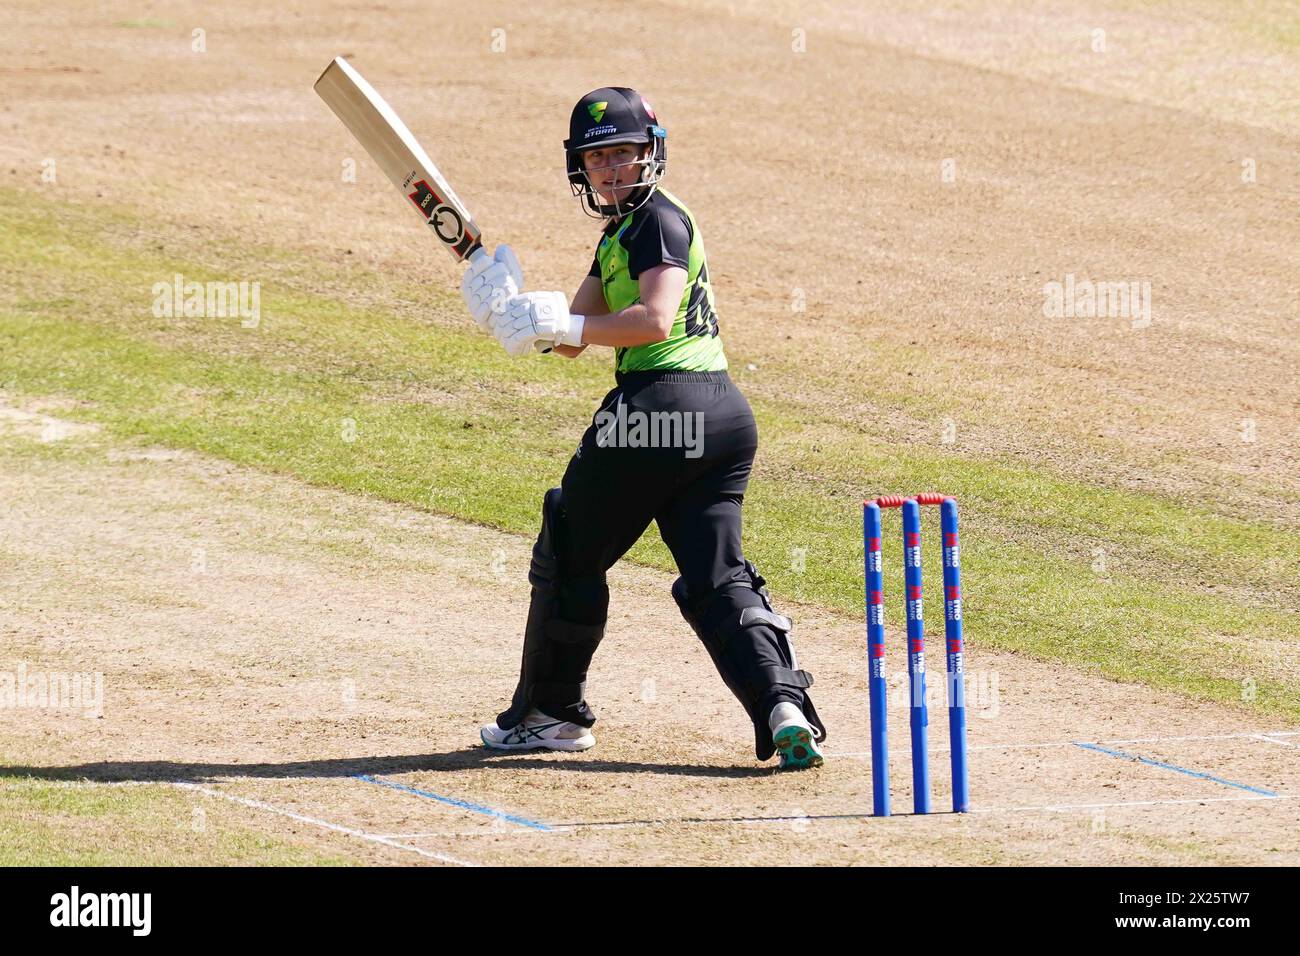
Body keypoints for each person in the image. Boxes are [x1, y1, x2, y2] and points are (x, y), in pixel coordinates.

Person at [460, 87, 826, 769]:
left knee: (569, 544)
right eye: (596, 158)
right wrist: (510, 313)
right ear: (580, 168)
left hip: (660, 408)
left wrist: (563, 325)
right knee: (717, 574)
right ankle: (783, 704)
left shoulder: (657, 220)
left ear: (651, 153)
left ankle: (550, 713)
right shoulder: (620, 236)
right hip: (721, 419)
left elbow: (654, 321)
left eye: (623, 154)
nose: (610, 169)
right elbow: (569, 338)